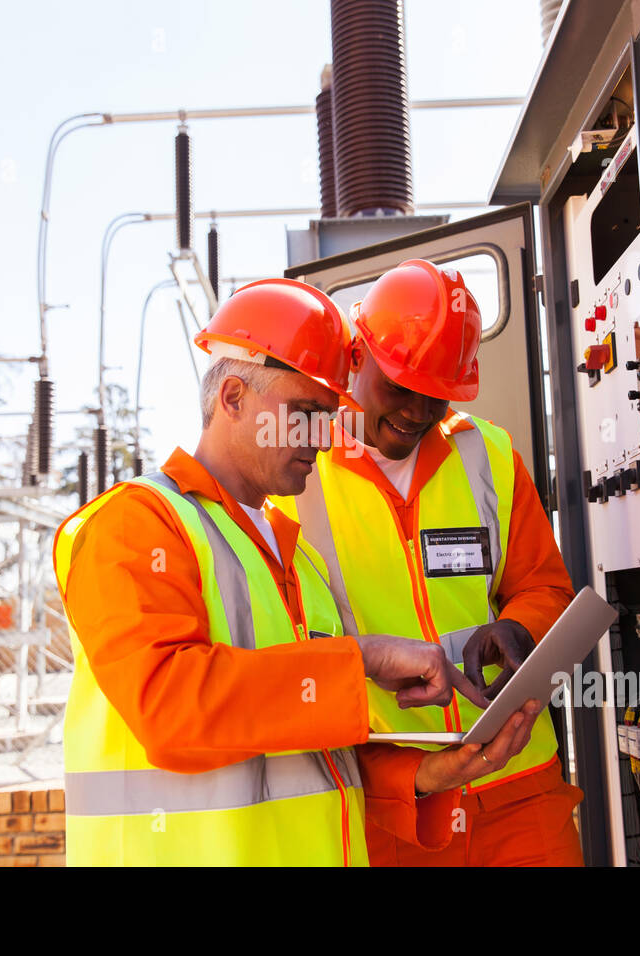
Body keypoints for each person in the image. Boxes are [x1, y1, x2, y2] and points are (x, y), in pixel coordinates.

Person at [54, 276, 541, 866]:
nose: (323, 435)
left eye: (331, 414)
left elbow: (314, 750)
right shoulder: (137, 524)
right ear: (233, 397)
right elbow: (169, 708)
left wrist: (429, 772)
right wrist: (360, 660)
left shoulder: (296, 561)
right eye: (306, 413)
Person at [273, 259, 585, 866]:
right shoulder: (292, 478)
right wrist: (408, 778)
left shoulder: (489, 455)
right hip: (393, 804)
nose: (418, 410)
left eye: (437, 394)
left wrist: (519, 628)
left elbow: (544, 585)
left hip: (519, 789)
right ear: (356, 357)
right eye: (401, 385)